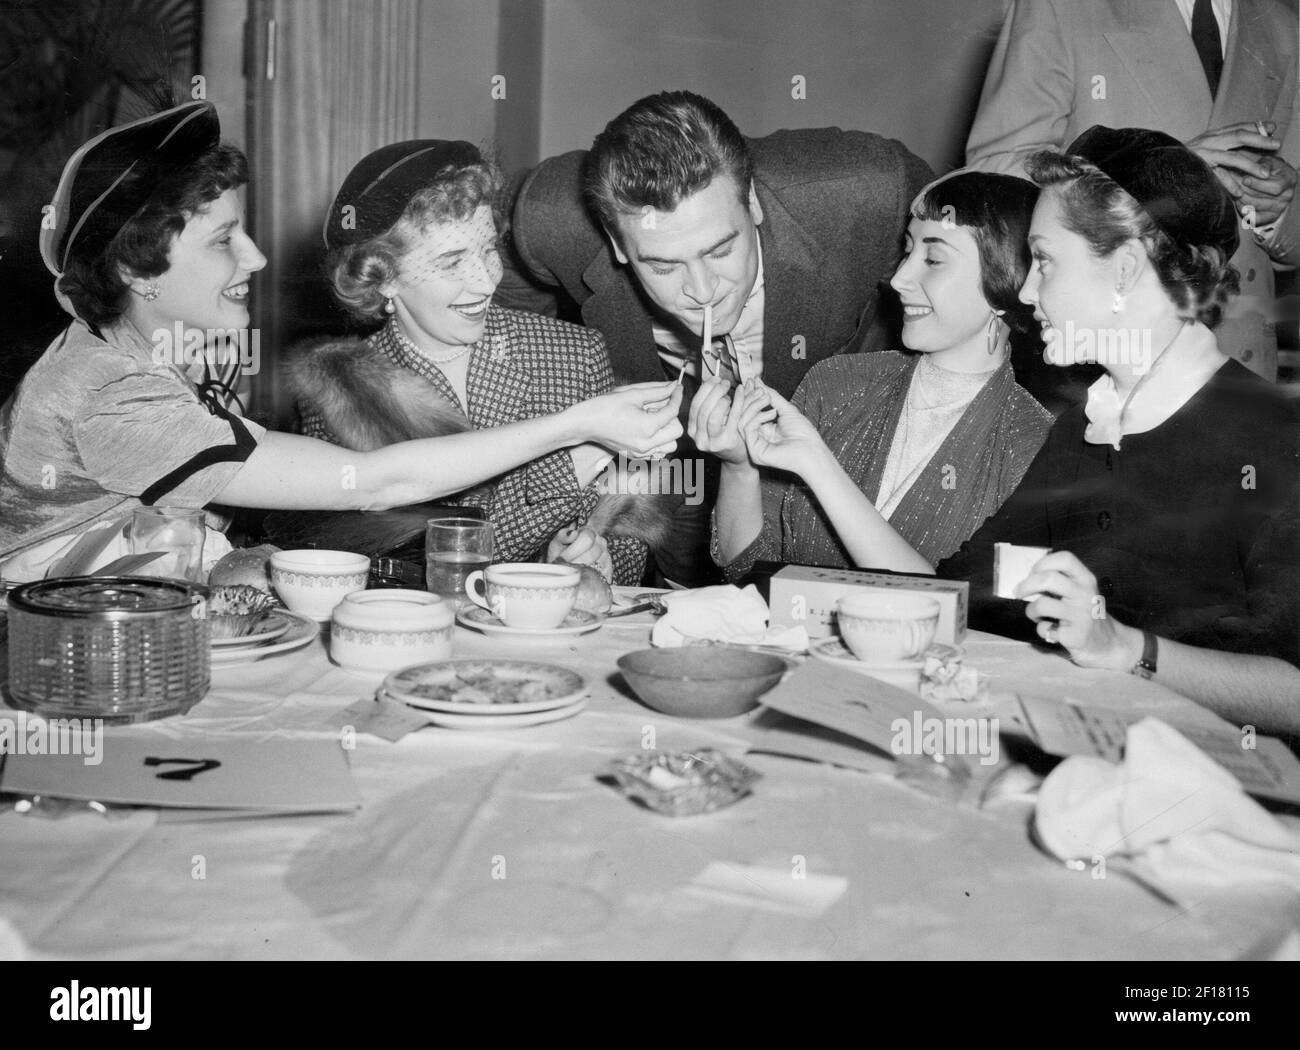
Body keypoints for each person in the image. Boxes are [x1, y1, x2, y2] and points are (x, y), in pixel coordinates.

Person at [744, 126, 1300, 731]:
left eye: (1043, 261)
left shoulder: (1273, 437)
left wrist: (1128, 650)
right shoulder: (1084, 426)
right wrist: (813, 463)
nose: (1026, 290)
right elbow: (947, 595)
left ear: (1124, 270)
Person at [0, 102, 682, 583]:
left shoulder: (153, 358)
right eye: (222, 241)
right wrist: (574, 430)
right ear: (133, 269)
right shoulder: (113, 398)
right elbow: (378, 486)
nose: (258, 259)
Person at [498, 89, 934, 584]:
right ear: (617, 241)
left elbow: (974, 244)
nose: (702, 291)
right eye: (663, 265)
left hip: (829, 442)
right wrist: (559, 397)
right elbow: (509, 305)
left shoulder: (868, 187)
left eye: (721, 250)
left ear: (751, 202)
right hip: (667, 454)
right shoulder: (549, 217)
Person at [287, 139, 670, 585]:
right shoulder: (342, 390)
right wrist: (559, 481)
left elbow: (629, 526)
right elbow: (392, 569)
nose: (486, 281)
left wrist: (598, 563)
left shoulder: (574, 352)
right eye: (451, 263)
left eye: (488, 249)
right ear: (384, 277)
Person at [699, 172, 1053, 578]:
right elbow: (746, 569)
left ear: (1008, 280)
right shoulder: (835, 384)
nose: (900, 278)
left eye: (933, 260)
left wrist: (819, 466)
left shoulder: (1034, 446)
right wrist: (738, 467)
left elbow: (961, 613)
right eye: (907, 250)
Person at [964, 0, 1299, 384]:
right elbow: (991, 173)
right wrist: (1157, 173)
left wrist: (1278, 209)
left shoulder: (1284, 23)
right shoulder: (1059, 7)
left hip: (1243, 370)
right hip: (1099, 362)